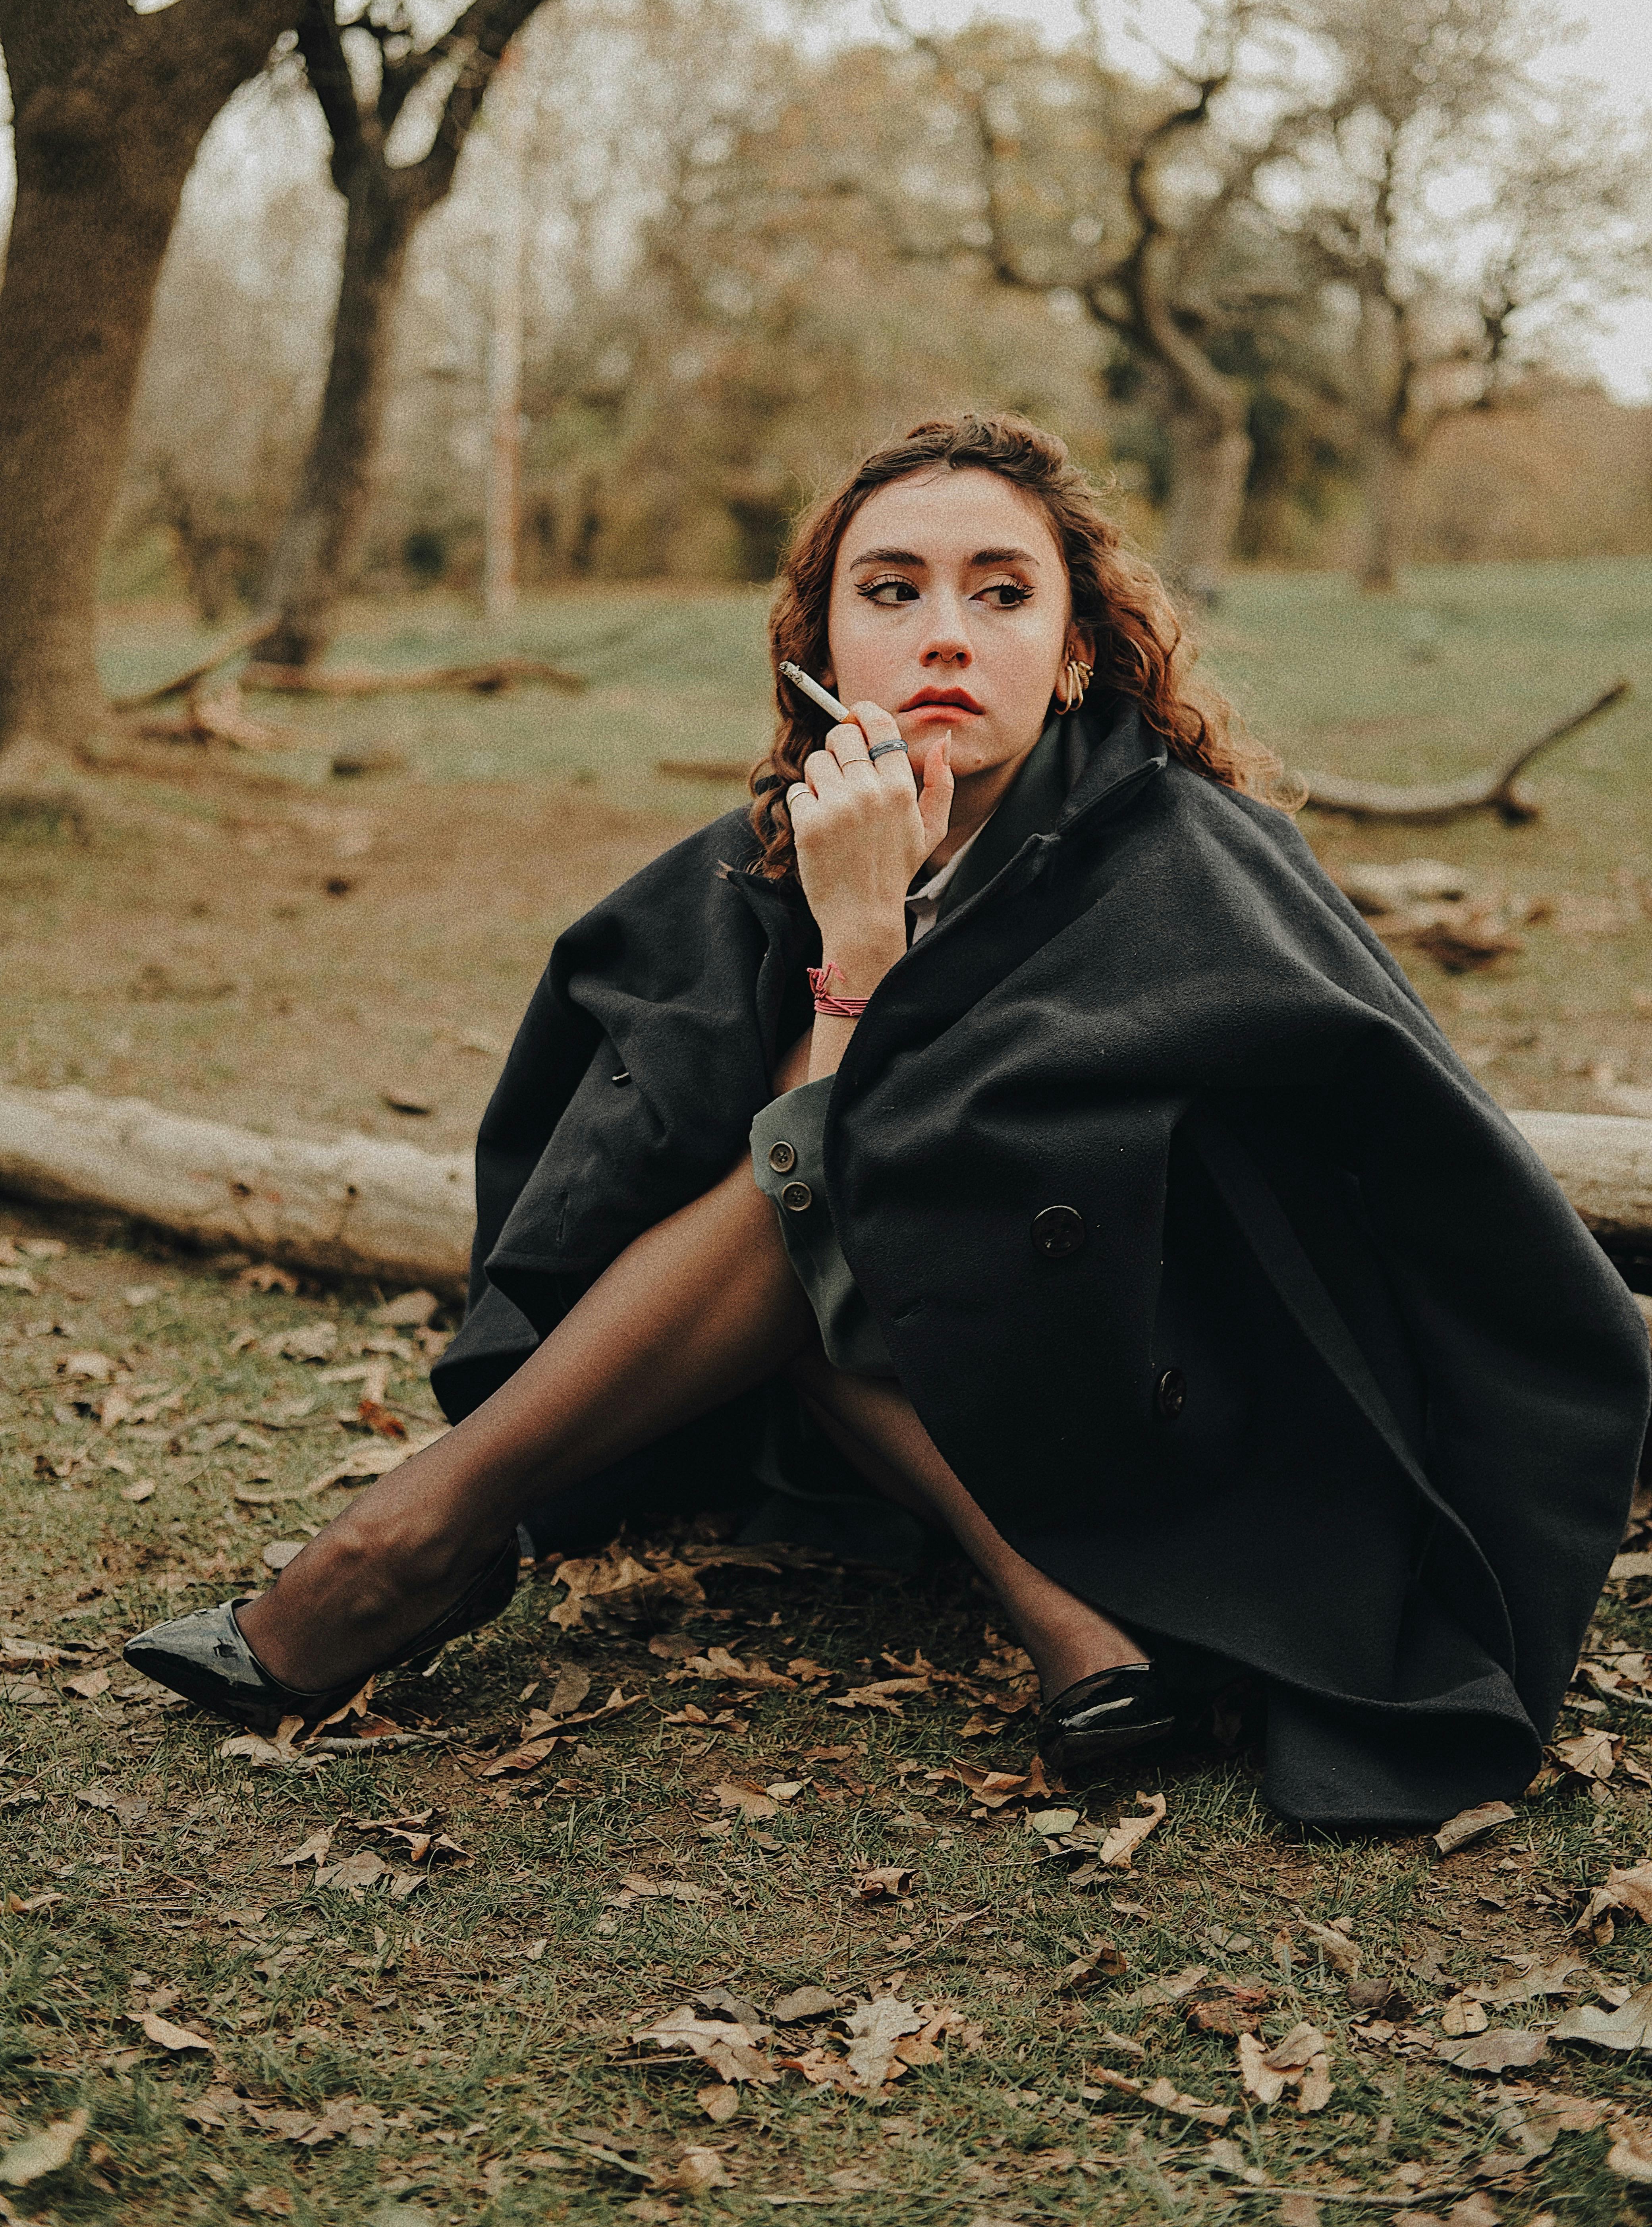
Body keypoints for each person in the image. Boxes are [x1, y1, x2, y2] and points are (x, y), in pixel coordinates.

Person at [127, 412, 1650, 1826]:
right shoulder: (765, 855)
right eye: (892, 591)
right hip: (941, 1347)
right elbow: (721, 1168)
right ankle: (1069, 1618)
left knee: (829, 1183)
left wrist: (860, 972)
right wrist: (854, 928)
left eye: (1004, 594)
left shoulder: (1190, 857)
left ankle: (413, 1538)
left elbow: (1095, 1182)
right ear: (820, 648)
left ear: (1075, 655)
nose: (946, 634)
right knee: (801, 1189)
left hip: (1203, 1377)